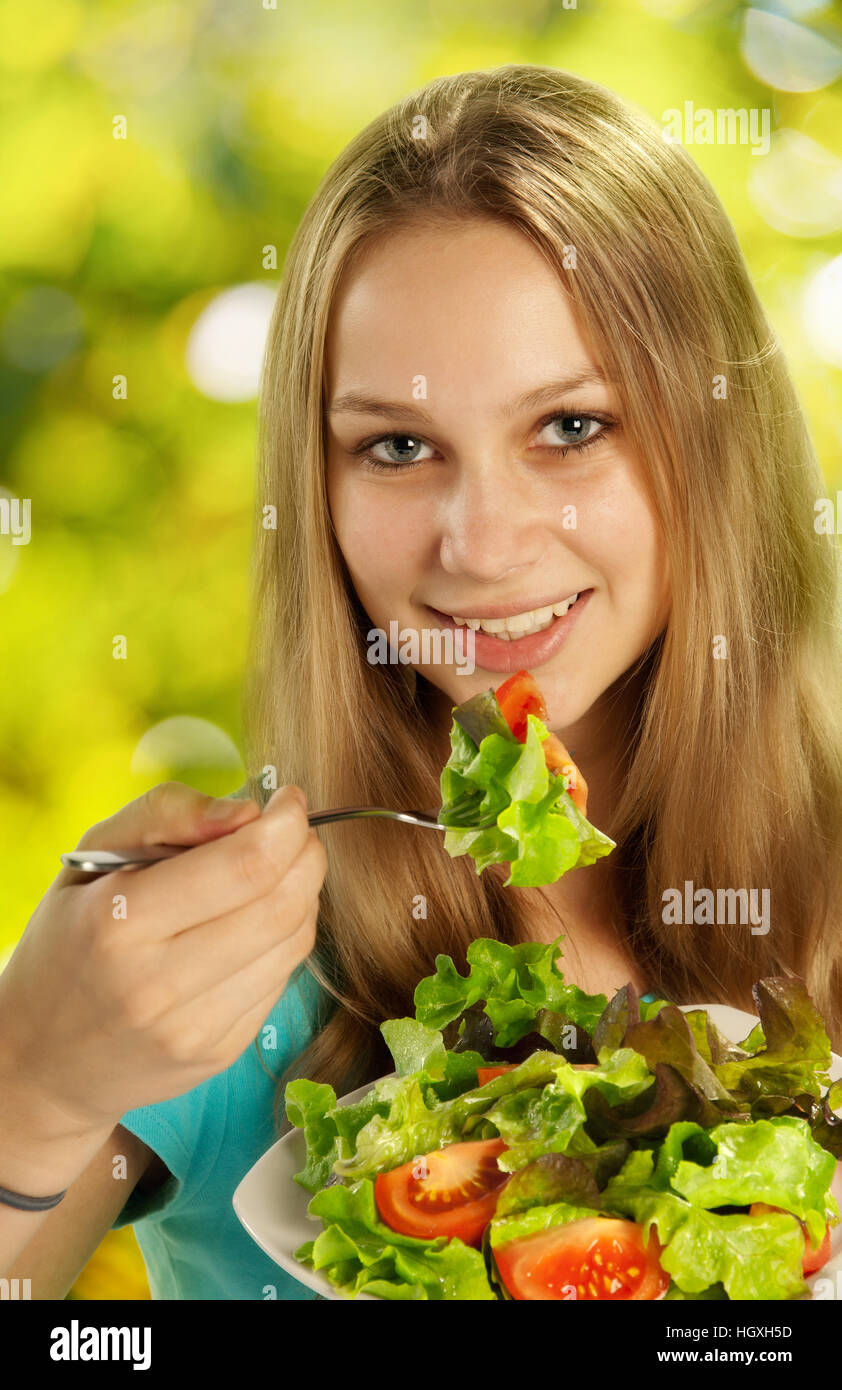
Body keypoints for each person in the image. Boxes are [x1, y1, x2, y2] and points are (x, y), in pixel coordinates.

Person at [2, 63, 841, 1301]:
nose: (481, 542)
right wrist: (33, 1080)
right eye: (396, 445)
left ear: (714, 446)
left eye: (569, 426)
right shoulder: (227, 978)